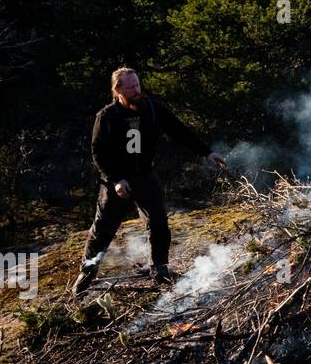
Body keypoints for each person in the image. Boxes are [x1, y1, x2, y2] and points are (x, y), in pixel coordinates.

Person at [71, 67, 227, 296]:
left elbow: (178, 130)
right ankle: (86, 273)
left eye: (137, 84)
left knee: (158, 222)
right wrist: (116, 180)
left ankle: (160, 269)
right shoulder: (107, 116)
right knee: (102, 230)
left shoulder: (152, 108)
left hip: (144, 175)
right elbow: (98, 152)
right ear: (118, 90)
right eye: (130, 87)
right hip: (116, 181)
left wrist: (206, 152)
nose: (136, 90)